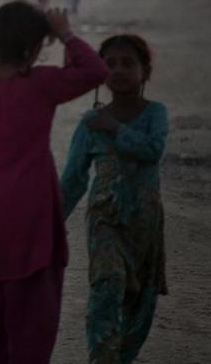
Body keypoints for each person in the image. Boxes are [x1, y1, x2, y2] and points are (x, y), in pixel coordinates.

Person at [0, 1, 108, 364]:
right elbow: (96, 70)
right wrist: (65, 33)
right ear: (35, 47)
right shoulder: (44, 84)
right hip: (32, 205)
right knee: (34, 303)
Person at [60, 35, 168, 364]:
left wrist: (116, 128)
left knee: (141, 304)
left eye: (128, 63)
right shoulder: (91, 124)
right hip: (105, 218)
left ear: (145, 72)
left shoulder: (155, 114)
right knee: (107, 286)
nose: (118, 70)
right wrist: (50, 221)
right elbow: (73, 180)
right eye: (109, 63)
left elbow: (153, 151)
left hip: (145, 223)